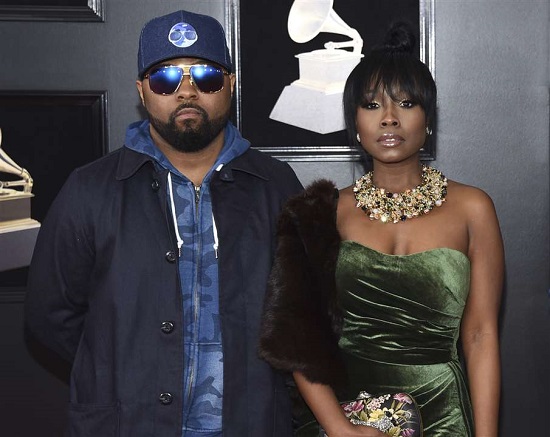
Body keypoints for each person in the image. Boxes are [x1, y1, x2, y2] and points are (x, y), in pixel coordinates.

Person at [24, 10, 302, 437]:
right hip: (127, 424)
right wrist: (118, 368)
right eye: (165, 78)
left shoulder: (277, 185)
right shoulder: (90, 189)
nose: (187, 91)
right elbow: (49, 314)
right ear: (142, 90)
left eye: (206, 76)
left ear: (230, 84)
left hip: (253, 422)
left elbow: (305, 312)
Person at [259, 22, 503, 437]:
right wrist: (341, 429)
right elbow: (299, 335)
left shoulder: (472, 208)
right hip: (344, 415)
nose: (389, 119)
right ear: (354, 122)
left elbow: (480, 336)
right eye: (372, 105)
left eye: (406, 103)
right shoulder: (320, 212)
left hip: (444, 415)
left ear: (428, 119)